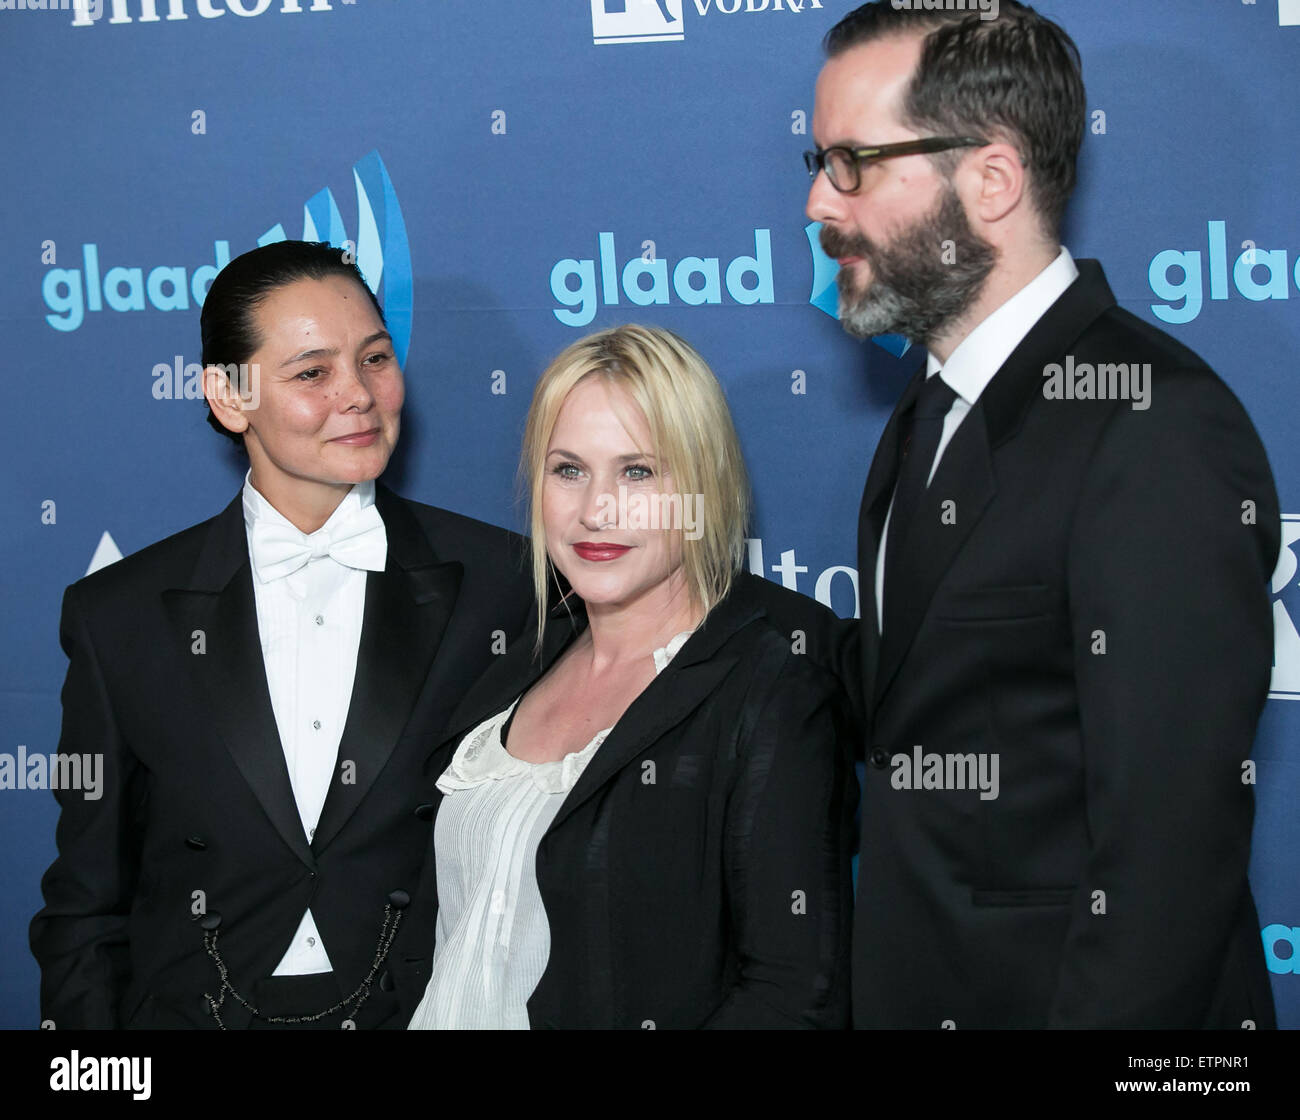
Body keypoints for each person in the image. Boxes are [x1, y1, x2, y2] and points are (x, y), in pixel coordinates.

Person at [804, 2, 1279, 1028]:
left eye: (852, 162)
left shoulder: (1154, 429)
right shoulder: (925, 411)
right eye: (817, 158)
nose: (816, 200)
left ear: (990, 180)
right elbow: (917, 695)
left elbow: (1166, 863)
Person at [29, 240, 533, 1029]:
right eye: (312, 373)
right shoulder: (119, 616)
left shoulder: (506, 584)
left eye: (375, 358)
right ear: (229, 398)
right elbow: (87, 903)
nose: (359, 395)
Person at [392, 324, 856, 1029]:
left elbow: (793, 994)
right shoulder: (509, 666)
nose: (594, 510)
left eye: (637, 471)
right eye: (568, 469)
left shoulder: (770, 689)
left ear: (702, 485)